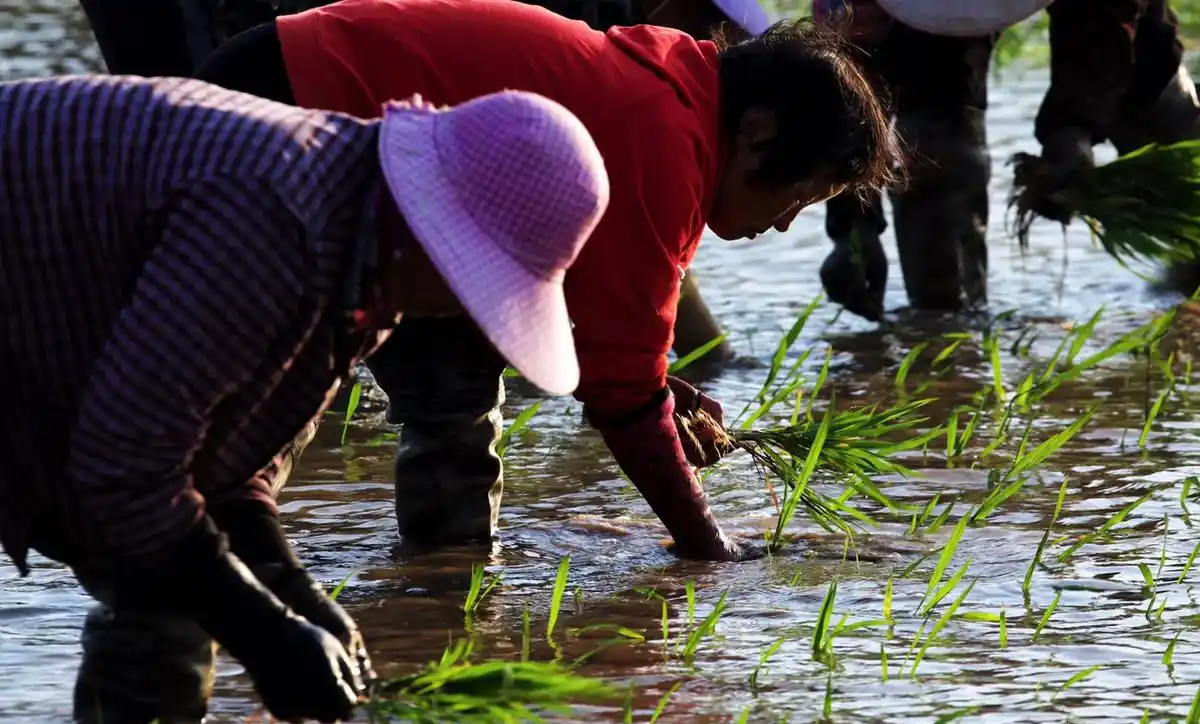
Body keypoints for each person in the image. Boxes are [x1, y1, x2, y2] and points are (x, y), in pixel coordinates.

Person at [0, 75, 610, 724]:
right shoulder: (271, 227)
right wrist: (264, 634)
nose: (473, 309)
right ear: (433, 227)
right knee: (167, 572)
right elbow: (123, 469)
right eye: (480, 281)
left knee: (172, 581)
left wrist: (295, 596)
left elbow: (223, 471)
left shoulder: (365, 268)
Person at [191, 0, 899, 563]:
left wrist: (655, 391)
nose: (781, 226)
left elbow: (606, 351)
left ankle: (433, 595)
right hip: (296, 111)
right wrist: (709, 547)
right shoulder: (663, 139)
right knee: (291, 400)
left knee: (452, 382)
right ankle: (241, 573)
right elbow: (620, 393)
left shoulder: (676, 96)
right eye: (799, 197)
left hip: (318, 101)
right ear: (759, 131)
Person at [76, 0, 771, 369]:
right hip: (305, 109)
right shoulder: (658, 110)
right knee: (435, 379)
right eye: (712, 21)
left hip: (360, 137)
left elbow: (614, 290)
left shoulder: (659, 89)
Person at [812, 0, 1196, 321]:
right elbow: (846, 87)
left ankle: (1191, 276)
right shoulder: (857, 7)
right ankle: (948, 333)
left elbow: (1105, 27)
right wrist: (852, 227)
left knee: (1151, 96)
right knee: (937, 152)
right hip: (914, 15)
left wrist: (1072, 129)